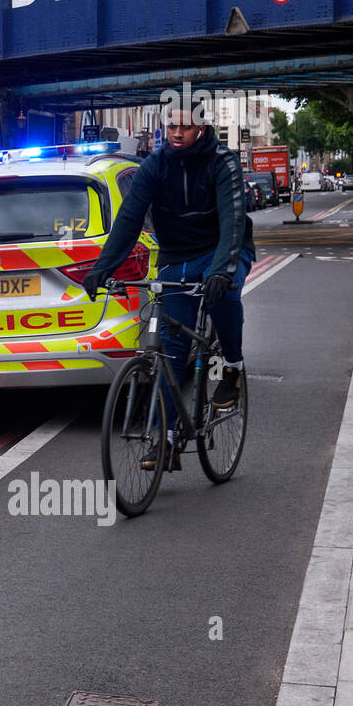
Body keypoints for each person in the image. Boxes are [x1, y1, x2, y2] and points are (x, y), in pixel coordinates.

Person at [82, 113, 255, 471]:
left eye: (185, 127)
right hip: (177, 256)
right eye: (172, 127)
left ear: (201, 129)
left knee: (224, 294)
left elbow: (233, 219)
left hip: (223, 248)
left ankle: (232, 368)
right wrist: (102, 268)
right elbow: (129, 219)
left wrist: (222, 269)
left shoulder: (223, 162)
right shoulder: (154, 165)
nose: (177, 133)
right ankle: (168, 439)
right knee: (171, 349)